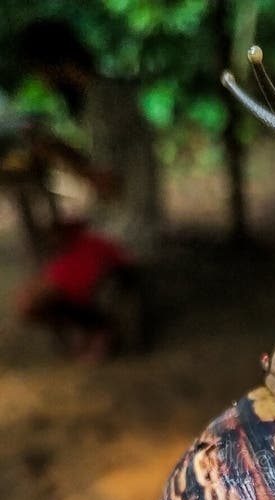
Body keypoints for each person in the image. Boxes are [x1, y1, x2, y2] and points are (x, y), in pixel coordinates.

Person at [10, 19, 159, 358]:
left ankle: (104, 326)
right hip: (118, 220)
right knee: (51, 236)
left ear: (52, 64)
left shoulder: (102, 101)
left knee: (28, 303)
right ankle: (93, 314)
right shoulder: (104, 95)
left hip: (125, 230)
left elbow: (106, 183)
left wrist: (57, 156)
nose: (41, 80)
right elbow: (105, 166)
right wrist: (60, 150)